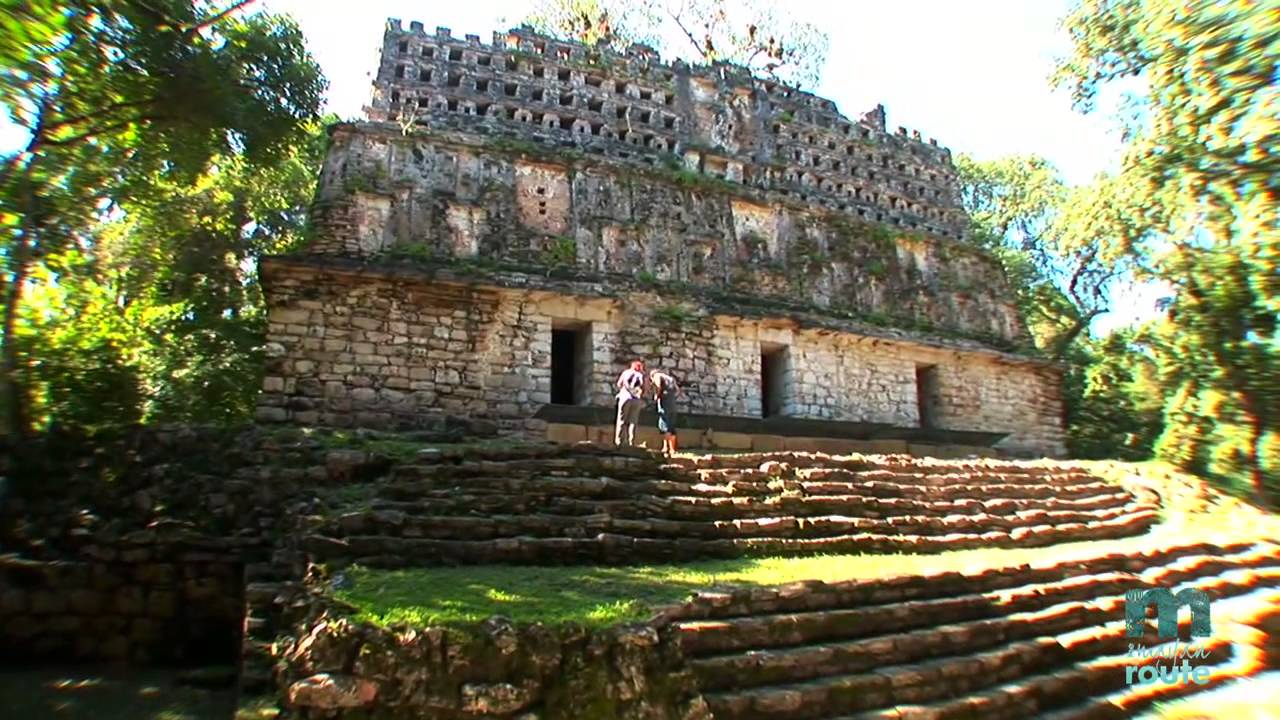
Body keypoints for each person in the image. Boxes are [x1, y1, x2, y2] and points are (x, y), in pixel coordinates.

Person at [614, 359, 646, 446]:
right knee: (633, 421)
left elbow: (619, 384)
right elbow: (644, 388)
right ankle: (631, 442)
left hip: (625, 397)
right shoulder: (641, 375)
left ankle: (619, 441)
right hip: (636, 399)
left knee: (621, 420)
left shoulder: (626, 372)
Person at [650, 368, 681, 456]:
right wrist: (672, 398)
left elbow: (659, 385)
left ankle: (667, 448)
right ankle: (671, 449)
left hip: (664, 402)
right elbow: (678, 391)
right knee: (671, 426)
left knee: (664, 424)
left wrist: (657, 396)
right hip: (672, 403)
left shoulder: (657, 376)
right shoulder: (670, 378)